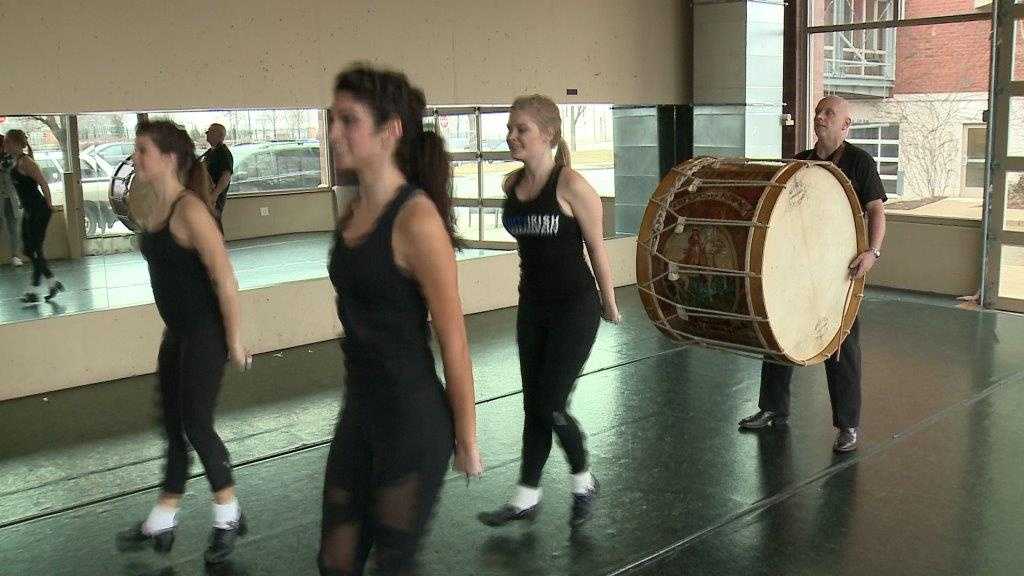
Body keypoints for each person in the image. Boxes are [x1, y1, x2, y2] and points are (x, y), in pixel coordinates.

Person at [318, 64, 483, 576]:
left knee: (394, 563)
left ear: (390, 131)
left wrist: (467, 437)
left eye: (349, 120)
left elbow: (453, 340)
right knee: (335, 562)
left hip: (411, 423)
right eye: (332, 118)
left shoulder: (416, 220)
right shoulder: (352, 213)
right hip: (359, 414)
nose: (334, 133)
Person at [478, 94, 621, 530]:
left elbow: (596, 249)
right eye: (510, 128)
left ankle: (583, 480)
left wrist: (610, 304)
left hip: (575, 309)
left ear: (549, 135)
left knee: (550, 403)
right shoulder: (511, 187)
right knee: (533, 405)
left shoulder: (571, 185)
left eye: (522, 129)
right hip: (533, 309)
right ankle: (526, 496)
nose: (512, 136)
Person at [116, 120, 252, 564]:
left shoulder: (190, 210)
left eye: (143, 152)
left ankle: (228, 513)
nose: (135, 159)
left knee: (196, 424)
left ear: (169, 158)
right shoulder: (154, 205)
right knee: (172, 425)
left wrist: (234, 340)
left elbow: (225, 279)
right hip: (177, 333)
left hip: (205, 334)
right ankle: (164, 517)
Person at [738, 95, 887, 453]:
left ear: (845, 124)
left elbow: (876, 211)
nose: (820, 117)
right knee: (778, 332)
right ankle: (772, 408)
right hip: (797, 267)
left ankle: (848, 425)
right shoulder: (802, 162)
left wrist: (872, 252)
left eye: (828, 113)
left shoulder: (859, 162)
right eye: (819, 111)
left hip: (841, 273)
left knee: (841, 345)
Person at [3, 130, 61, 301]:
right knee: (29, 249)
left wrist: (49, 204)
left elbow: (43, 183)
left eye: (7, 142)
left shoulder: (27, 162)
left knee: (34, 249)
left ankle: (36, 290)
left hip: (39, 210)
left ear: (15, 143)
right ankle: (50, 283)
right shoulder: (14, 162)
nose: (4, 145)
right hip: (29, 210)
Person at [201, 123, 233, 230]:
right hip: (206, 194)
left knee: (214, 225)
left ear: (219, 135)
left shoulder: (223, 153)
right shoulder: (210, 152)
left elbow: (226, 176)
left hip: (214, 197)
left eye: (210, 132)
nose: (207, 134)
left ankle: (217, 246)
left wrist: (215, 195)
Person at [0, 134, 22, 266]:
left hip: (10, 197)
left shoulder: (10, 158)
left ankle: (15, 256)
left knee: (13, 227)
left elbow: (8, 167)